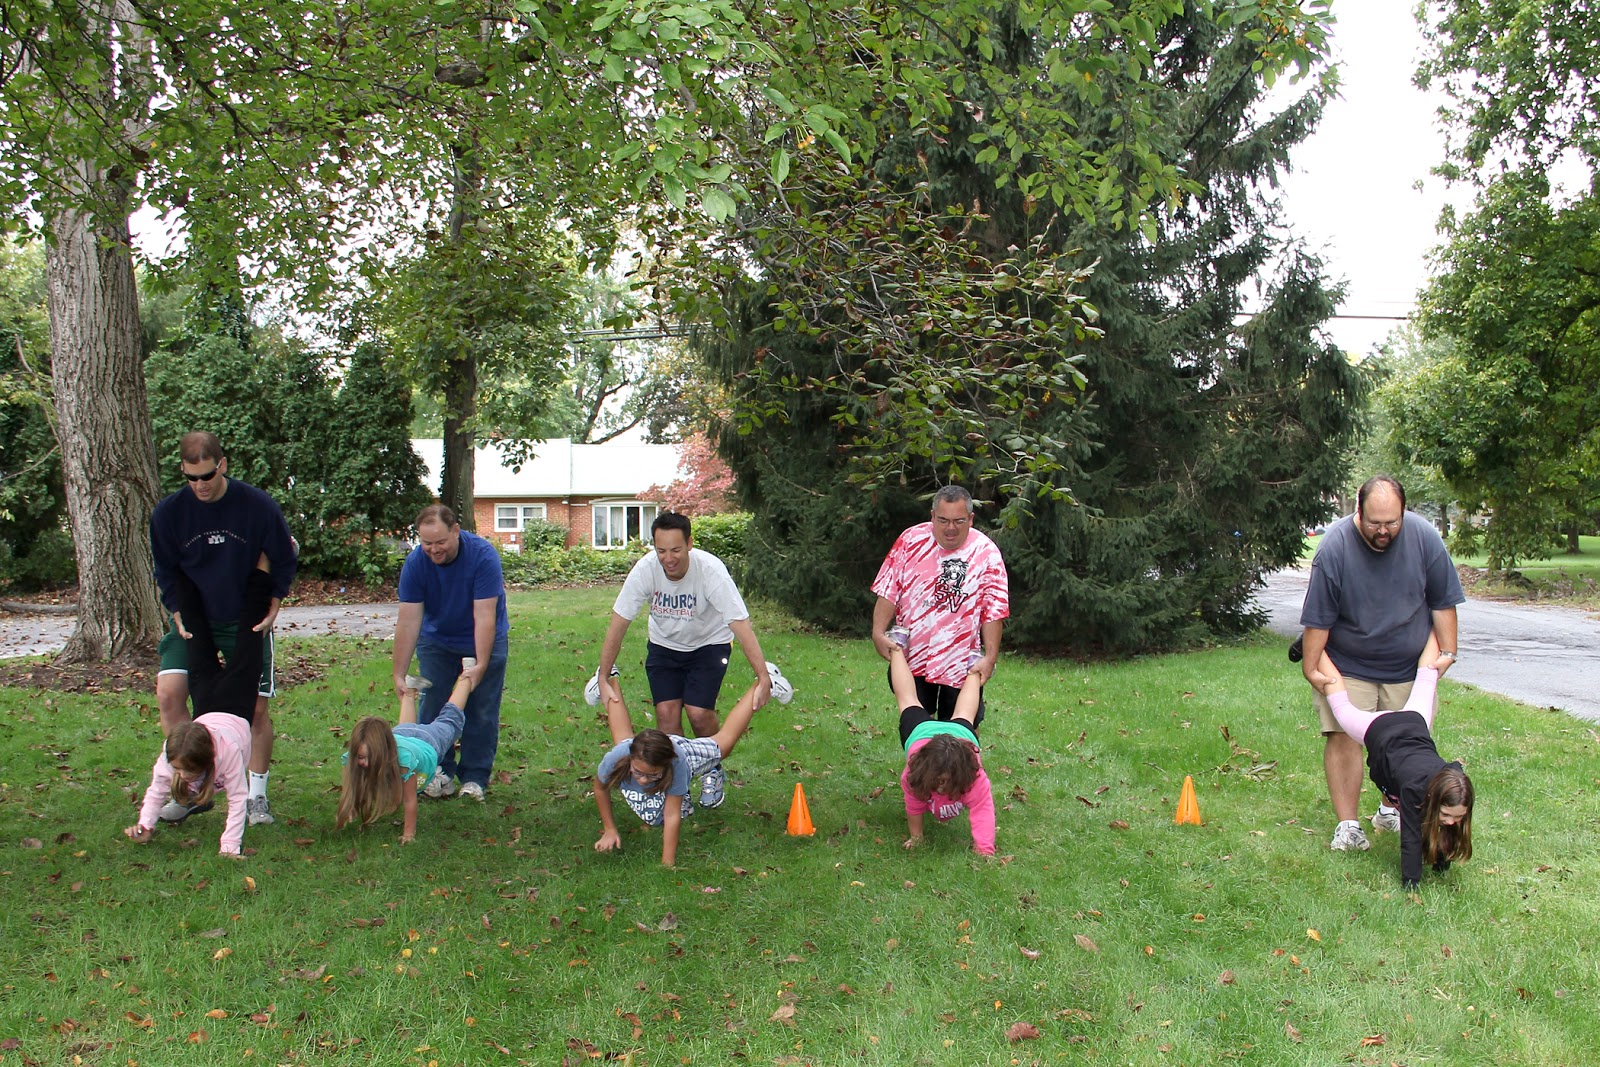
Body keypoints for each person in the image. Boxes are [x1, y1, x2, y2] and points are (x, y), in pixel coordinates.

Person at [1297, 475, 1464, 853]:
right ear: (1359, 510)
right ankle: (1349, 826)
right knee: (1343, 736)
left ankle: (1390, 810)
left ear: (1404, 512)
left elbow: (1443, 601)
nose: (1384, 531)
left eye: (1392, 522)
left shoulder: (1424, 538)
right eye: (1375, 523)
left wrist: (1448, 653)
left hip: (1407, 664)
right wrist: (1312, 668)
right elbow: (1318, 619)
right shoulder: (1335, 548)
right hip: (1349, 662)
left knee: (1406, 746)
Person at [150, 431, 297, 827]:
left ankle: (257, 795)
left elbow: (283, 557)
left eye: (207, 476)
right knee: (169, 695)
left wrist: (276, 601)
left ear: (223, 465)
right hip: (194, 615)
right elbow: (165, 570)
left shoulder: (256, 506)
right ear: (183, 471)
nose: (200, 485)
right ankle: (193, 786)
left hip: (243, 616)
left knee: (255, 709)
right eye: (191, 477)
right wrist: (176, 607)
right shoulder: (169, 513)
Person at [592, 512, 778, 810]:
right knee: (667, 718)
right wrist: (603, 676)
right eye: (661, 550)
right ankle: (677, 784)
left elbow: (740, 624)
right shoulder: (645, 570)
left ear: (689, 543)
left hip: (709, 644)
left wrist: (762, 676)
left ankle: (712, 770)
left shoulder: (711, 571)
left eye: (676, 550)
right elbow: (618, 623)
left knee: (698, 713)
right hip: (664, 646)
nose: (669, 558)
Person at [125, 565, 275, 856]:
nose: (177, 773)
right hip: (232, 701)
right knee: (250, 632)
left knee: (197, 637)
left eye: (183, 770)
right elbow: (156, 790)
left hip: (213, 699)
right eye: (177, 768)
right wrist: (145, 825)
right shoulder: (174, 754)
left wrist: (229, 848)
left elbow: (236, 800)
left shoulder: (227, 755)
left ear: (207, 761)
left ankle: (214, 569)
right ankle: (219, 572)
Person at [1307, 635, 1474, 888]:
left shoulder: (1454, 783)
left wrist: (1442, 864)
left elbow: (1455, 780)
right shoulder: (1414, 789)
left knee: (1427, 679)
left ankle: (1431, 631)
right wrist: (1411, 883)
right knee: (1341, 706)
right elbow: (1410, 839)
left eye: (1457, 817)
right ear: (1435, 798)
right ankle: (1315, 650)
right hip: (1378, 729)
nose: (1451, 822)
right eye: (1447, 815)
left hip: (1414, 721)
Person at [591, 664, 792, 866]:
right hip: (641, 749)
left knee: (724, 745)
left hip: (683, 752)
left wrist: (667, 864)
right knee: (621, 737)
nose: (643, 780)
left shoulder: (677, 763)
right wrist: (609, 829)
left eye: (652, 776)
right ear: (631, 758)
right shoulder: (619, 756)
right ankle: (607, 676)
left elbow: (671, 815)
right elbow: (600, 789)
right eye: (638, 772)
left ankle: (766, 682)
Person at [391, 504, 509, 801]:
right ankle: (438, 772)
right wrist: (399, 673)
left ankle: (474, 778)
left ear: (456, 530)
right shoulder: (416, 564)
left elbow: (484, 616)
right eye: (427, 543)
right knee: (433, 707)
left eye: (440, 542)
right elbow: (408, 620)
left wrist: (481, 663)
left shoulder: (482, 556)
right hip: (437, 641)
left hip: (484, 637)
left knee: (481, 709)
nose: (433, 550)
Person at [871, 486, 1010, 732]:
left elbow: (994, 611)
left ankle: (966, 768)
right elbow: (889, 588)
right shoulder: (910, 541)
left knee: (962, 725)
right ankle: (920, 766)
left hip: (960, 658)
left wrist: (990, 657)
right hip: (914, 653)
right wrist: (878, 631)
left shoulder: (987, 553)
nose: (950, 528)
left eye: (959, 521)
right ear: (932, 516)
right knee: (915, 718)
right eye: (943, 520)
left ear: (970, 519)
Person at [337, 665, 474, 844]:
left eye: (368, 757)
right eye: (360, 757)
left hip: (430, 742)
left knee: (450, 719)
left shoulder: (404, 762)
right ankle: (410, 691)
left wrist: (408, 835)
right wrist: (350, 810)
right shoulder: (361, 754)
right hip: (403, 736)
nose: (364, 762)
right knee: (403, 728)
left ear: (383, 750)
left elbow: (409, 801)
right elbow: (354, 786)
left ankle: (467, 676)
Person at [889, 632, 995, 855]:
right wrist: (916, 838)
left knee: (965, 713)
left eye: (945, 782)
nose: (940, 787)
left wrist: (984, 849)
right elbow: (914, 805)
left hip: (960, 736)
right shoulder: (913, 772)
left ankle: (974, 668)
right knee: (907, 699)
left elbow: (982, 809)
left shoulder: (974, 776)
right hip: (922, 735)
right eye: (936, 781)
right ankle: (896, 646)